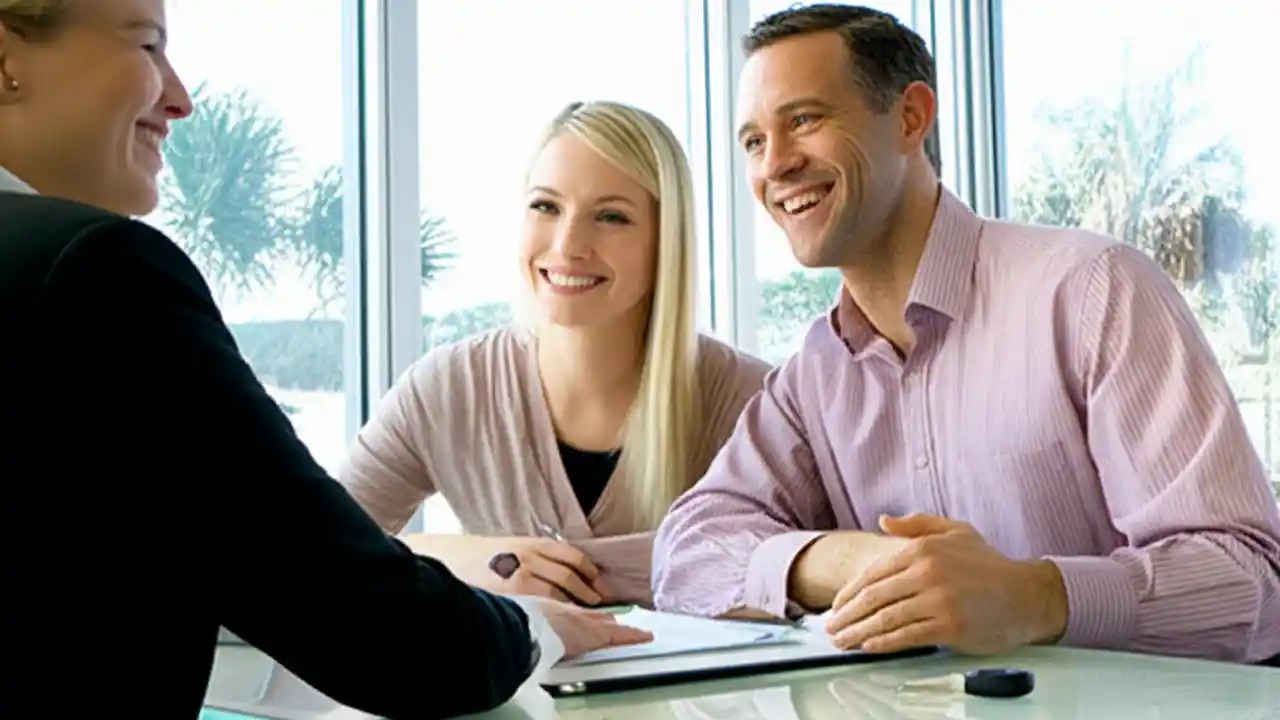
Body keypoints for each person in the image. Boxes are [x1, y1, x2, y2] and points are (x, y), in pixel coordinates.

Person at [0, 1, 650, 718]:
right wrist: (527, 627)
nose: (180, 98)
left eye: (613, 215)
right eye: (148, 45)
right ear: (6, 61)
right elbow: (349, 603)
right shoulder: (96, 271)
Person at [652, 3, 1280, 665]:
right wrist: (843, 561)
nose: (774, 165)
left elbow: (1251, 582)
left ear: (911, 117)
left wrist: (1036, 596)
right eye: (753, 141)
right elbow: (686, 554)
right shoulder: (812, 376)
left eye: (804, 119)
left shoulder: (1093, 291)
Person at [339, 100, 772, 607]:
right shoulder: (447, 388)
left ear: (665, 240)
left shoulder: (755, 404)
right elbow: (310, 550)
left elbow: (811, 575)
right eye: (546, 207)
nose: (568, 245)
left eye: (611, 217)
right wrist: (461, 561)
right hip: (516, 691)